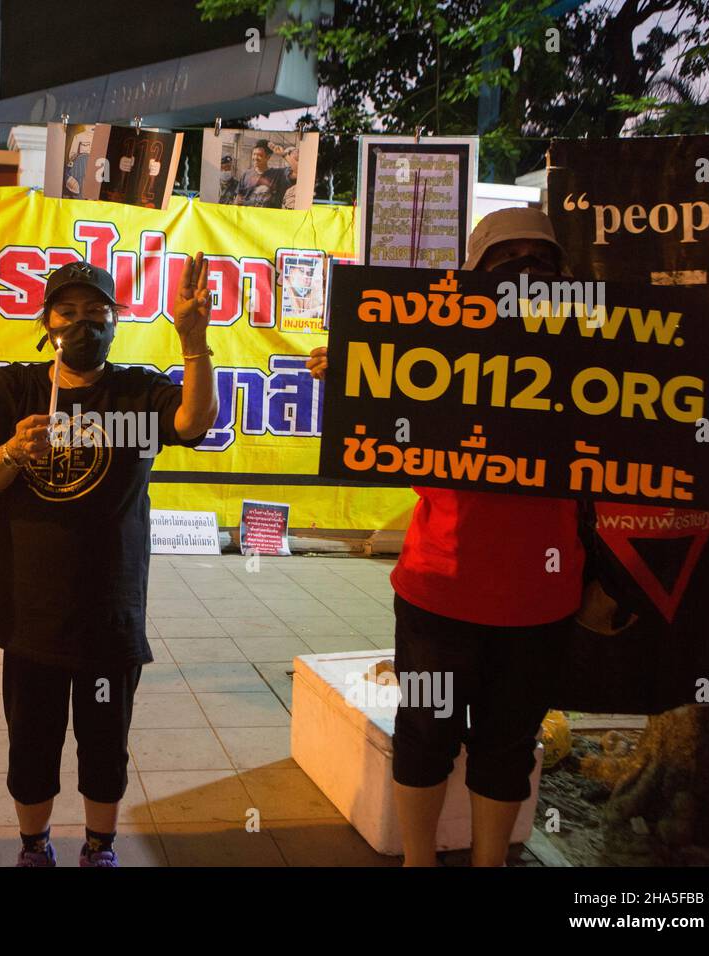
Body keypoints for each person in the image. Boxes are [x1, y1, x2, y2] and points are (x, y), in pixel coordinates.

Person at [308, 207, 585, 866]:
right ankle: (419, 861)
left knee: (507, 743)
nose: (524, 272)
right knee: (425, 733)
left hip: (540, 601)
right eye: (505, 260)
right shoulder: (434, 353)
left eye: (538, 260)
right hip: (440, 596)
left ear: (564, 276)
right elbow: (387, 450)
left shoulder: (595, 359)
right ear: (472, 278)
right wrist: (351, 381)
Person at [0, 258, 218, 866]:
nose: (83, 325)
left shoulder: (136, 390)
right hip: (31, 613)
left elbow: (194, 420)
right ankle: (34, 846)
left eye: (96, 312)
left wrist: (193, 340)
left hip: (110, 612)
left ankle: (100, 847)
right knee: (32, 743)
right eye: (68, 313)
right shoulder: (17, 389)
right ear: (46, 322)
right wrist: (15, 449)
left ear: (116, 319)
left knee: (105, 744)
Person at [235, 140, 297, 208]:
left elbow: (298, 172)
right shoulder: (246, 174)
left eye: (259, 155)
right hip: (248, 217)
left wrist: (283, 154)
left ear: (268, 157)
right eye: (254, 154)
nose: (255, 158)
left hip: (268, 218)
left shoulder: (278, 175)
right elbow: (238, 199)